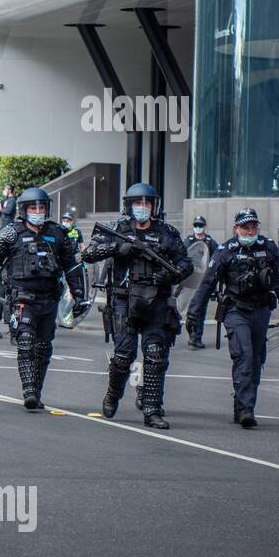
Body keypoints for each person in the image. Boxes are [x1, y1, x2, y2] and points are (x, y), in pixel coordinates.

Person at [82, 183, 193, 429]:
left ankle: (152, 410)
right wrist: (117, 248)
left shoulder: (167, 232)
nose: (142, 208)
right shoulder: (117, 229)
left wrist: (170, 276)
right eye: (137, 203)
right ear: (128, 206)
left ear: (154, 206)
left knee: (155, 356)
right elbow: (88, 253)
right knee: (123, 356)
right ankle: (113, 393)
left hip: (156, 302)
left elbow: (186, 263)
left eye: (146, 203)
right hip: (124, 301)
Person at [185, 208, 279, 429]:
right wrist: (193, 313)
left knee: (256, 360)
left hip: (261, 311)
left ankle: (242, 405)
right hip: (235, 311)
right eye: (245, 227)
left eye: (253, 227)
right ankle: (247, 409)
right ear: (236, 228)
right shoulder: (225, 251)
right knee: (244, 356)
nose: (250, 231)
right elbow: (207, 283)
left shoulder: (268, 248)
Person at [0, 188, 88, 411]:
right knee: (25, 341)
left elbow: (72, 268)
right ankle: (28, 391)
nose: (37, 211)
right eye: (33, 208)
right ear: (24, 210)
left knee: (43, 347)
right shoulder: (11, 234)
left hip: (49, 300)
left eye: (41, 207)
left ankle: (36, 389)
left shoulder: (57, 234)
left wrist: (79, 297)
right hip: (22, 298)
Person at [184, 215, 218, 348]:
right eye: (196, 225)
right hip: (191, 281)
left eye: (200, 225)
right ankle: (192, 336)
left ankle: (196, 338)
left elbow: (217, 260)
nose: (198, 228)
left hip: (204, 283)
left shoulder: (210, 242)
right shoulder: (188, 241)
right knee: (192, 310)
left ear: (204, 227)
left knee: (201, 310)